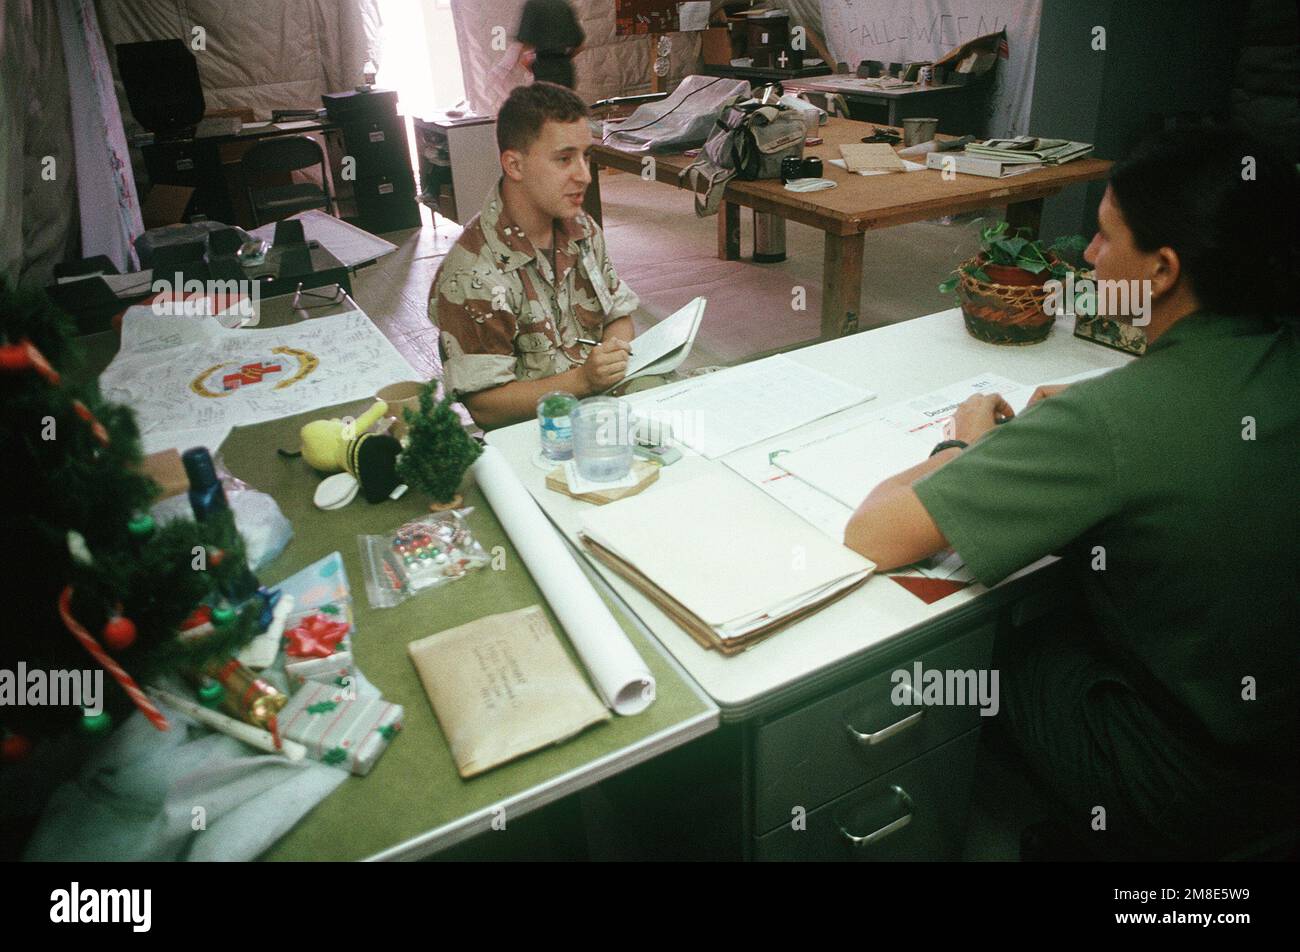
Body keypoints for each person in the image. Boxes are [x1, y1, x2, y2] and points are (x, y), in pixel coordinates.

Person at [843, 127, 1300, 859]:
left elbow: (873, 533)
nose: (1087, 255)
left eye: (1103, 234)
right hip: (1274, 745)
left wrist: (965, 442)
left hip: (1194, 784)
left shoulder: (1106, 422)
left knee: (985, 652)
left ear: (1161, 269)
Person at [428, 82, 637, 429]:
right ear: (514, 165)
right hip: (535, 437)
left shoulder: (581, 230)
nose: (584, 175)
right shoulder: (473, 273)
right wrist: (584, 381)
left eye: (586, 156)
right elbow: (485, 405)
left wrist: (613, 355)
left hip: (603, 412)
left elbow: (618, 312)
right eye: (564, 158)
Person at [515, 0, 586, 90]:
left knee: (545, 102)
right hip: (565, 72)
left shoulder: (533, 5)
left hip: (543, 71)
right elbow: (580, 46)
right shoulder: (564, 5)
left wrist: (528, 64)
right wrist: (565, 57)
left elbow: (526, 46)